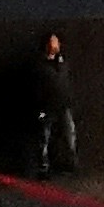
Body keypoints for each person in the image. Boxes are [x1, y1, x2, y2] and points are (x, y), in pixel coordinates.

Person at [31, 28, 80, 179]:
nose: (55, 44)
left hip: (63, 106)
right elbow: (36, 87)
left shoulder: (62, 62)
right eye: (52, 42)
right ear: (46, 44)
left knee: (69, 135)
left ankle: (70, 165)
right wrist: (39, 109)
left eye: (56, 42)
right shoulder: (39, 65)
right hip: (46, 107)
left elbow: (65, 82)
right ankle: (43, 169)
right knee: (44, 138)